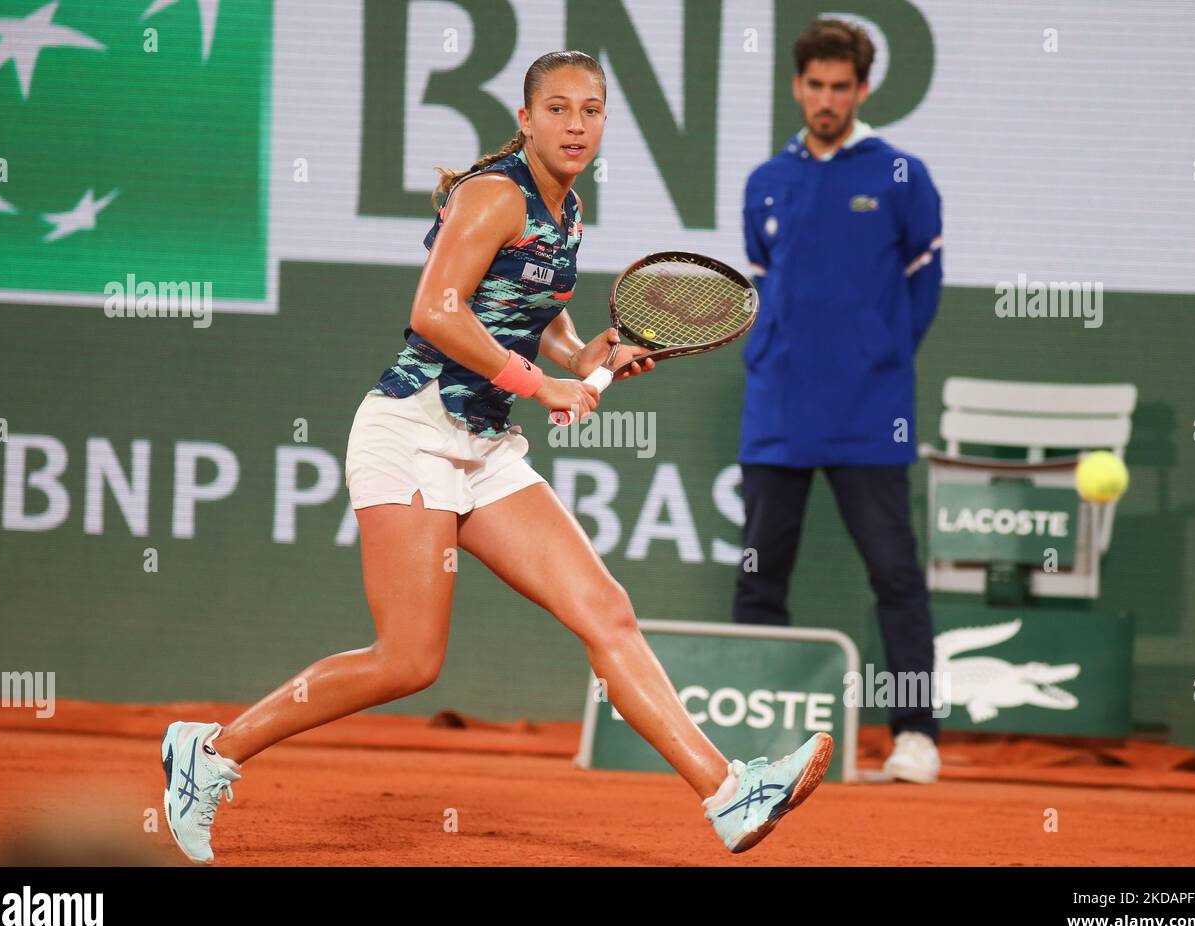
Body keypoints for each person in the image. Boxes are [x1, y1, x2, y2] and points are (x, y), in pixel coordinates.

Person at [160, 51, 832, 863]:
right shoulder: (493, 194)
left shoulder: (568, 208)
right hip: (411, 429)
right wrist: (542, 387)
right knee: (407, 661)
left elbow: (537, 313)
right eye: (557, 108)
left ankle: (729, 793)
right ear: (525, 118)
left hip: (482, 445)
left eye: (591, 110)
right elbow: (436, 310)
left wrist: (590, 354)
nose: (575, 124)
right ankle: (209, 753)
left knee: (605, 610)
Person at [732, 20, 944, 783]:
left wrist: (878, 357)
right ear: (798, 86)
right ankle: (758, 737)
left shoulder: (902, 176)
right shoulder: (765, 181)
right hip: (778, 411)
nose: (826, 99)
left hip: (869, 413)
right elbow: (764, 284)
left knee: (895, 574)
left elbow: (924, 286)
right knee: (759, 576)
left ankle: (916, 735)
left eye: (840, 87)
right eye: (814, 85)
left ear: (862, 89)